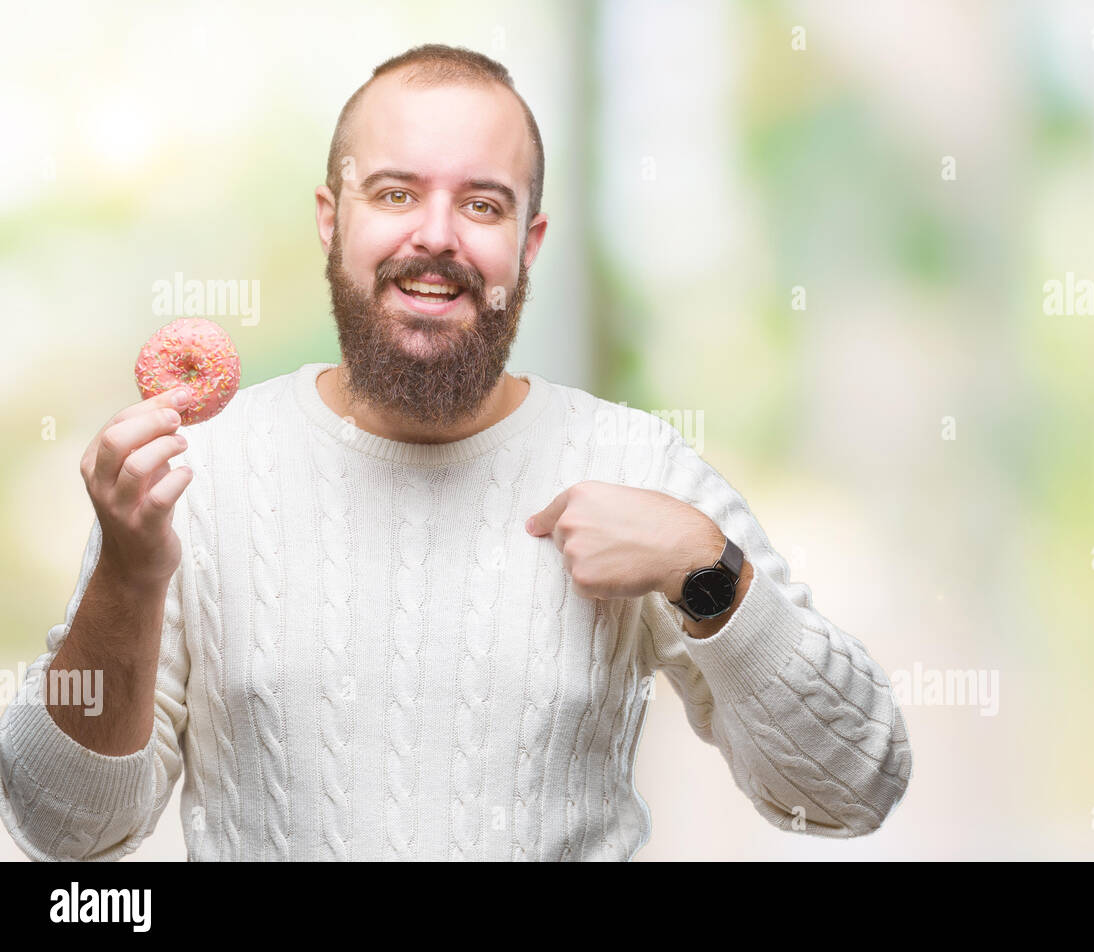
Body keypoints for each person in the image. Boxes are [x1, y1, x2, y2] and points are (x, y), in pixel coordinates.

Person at [0, 44, 911, 861]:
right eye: (396, 193)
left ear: (529, 242)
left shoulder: (634, 461)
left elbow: (853, 788)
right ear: (331, 219)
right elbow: (66, 830)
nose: (436, 235)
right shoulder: (199, 475)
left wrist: (706, 568)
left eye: (482, 203)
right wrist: (128, 573)